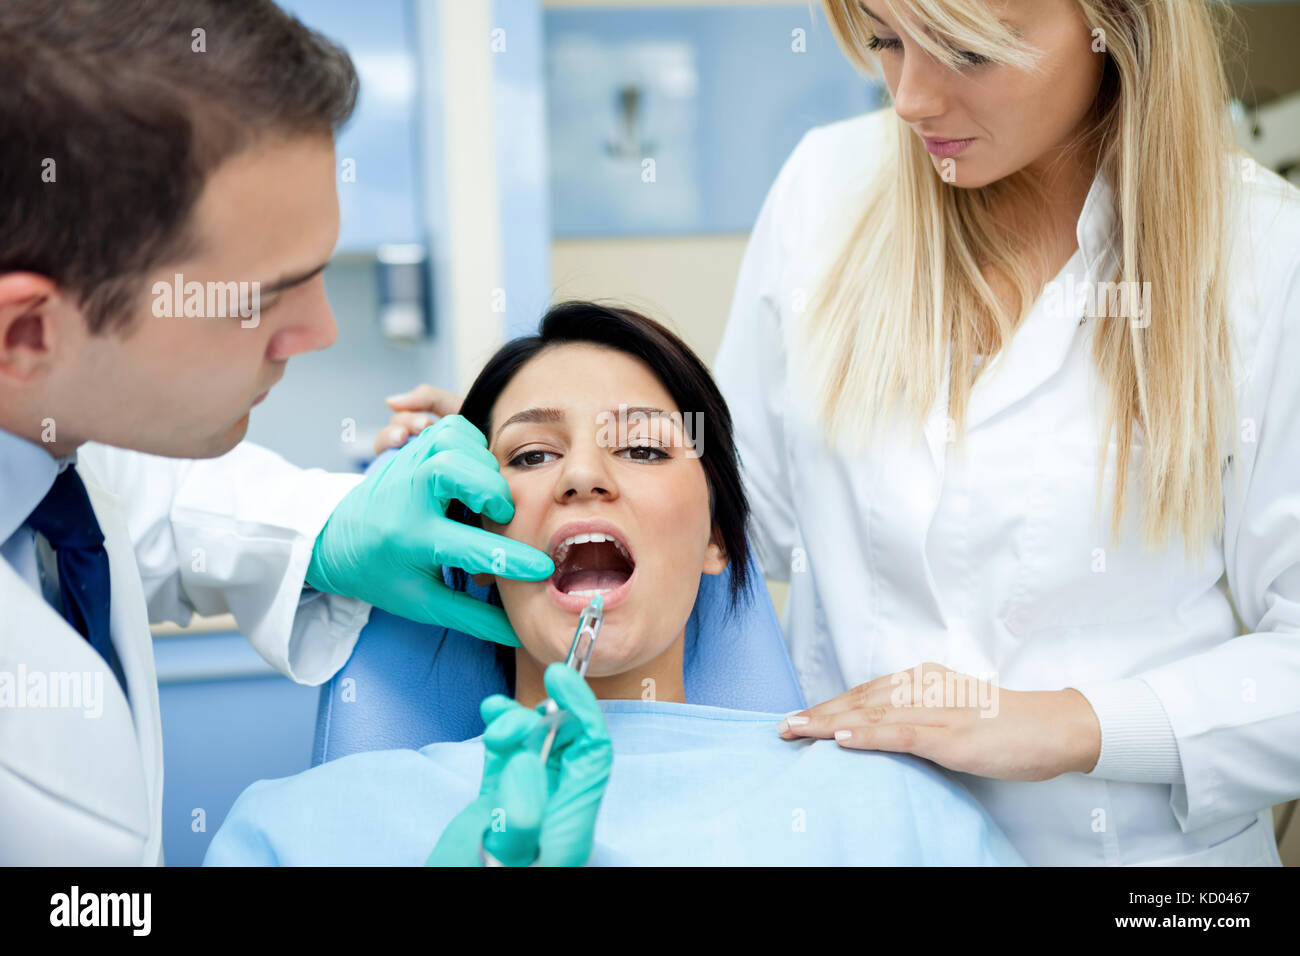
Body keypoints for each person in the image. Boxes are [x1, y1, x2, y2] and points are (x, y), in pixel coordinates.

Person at [381, 1, 1300, 865]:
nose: (910, 98)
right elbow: (734, 512)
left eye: (968, 50)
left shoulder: (1265, 258)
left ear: (1113, 22)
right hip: (856, 838)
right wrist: (526, 466)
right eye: (882, 39)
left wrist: (1068, 724)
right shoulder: (828, 190)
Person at [0, 0, 551, 865]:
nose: (321, 331)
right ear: (26, 334)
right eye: (264, 297)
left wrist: (334, 533)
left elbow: (149, 512)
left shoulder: (53, 457)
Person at [205, 302, 1025, 866]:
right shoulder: (304, 831)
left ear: (716, 539)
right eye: (529, 456)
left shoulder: (890, 818)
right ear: (475, 535)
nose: (584, 475)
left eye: (641, 449)